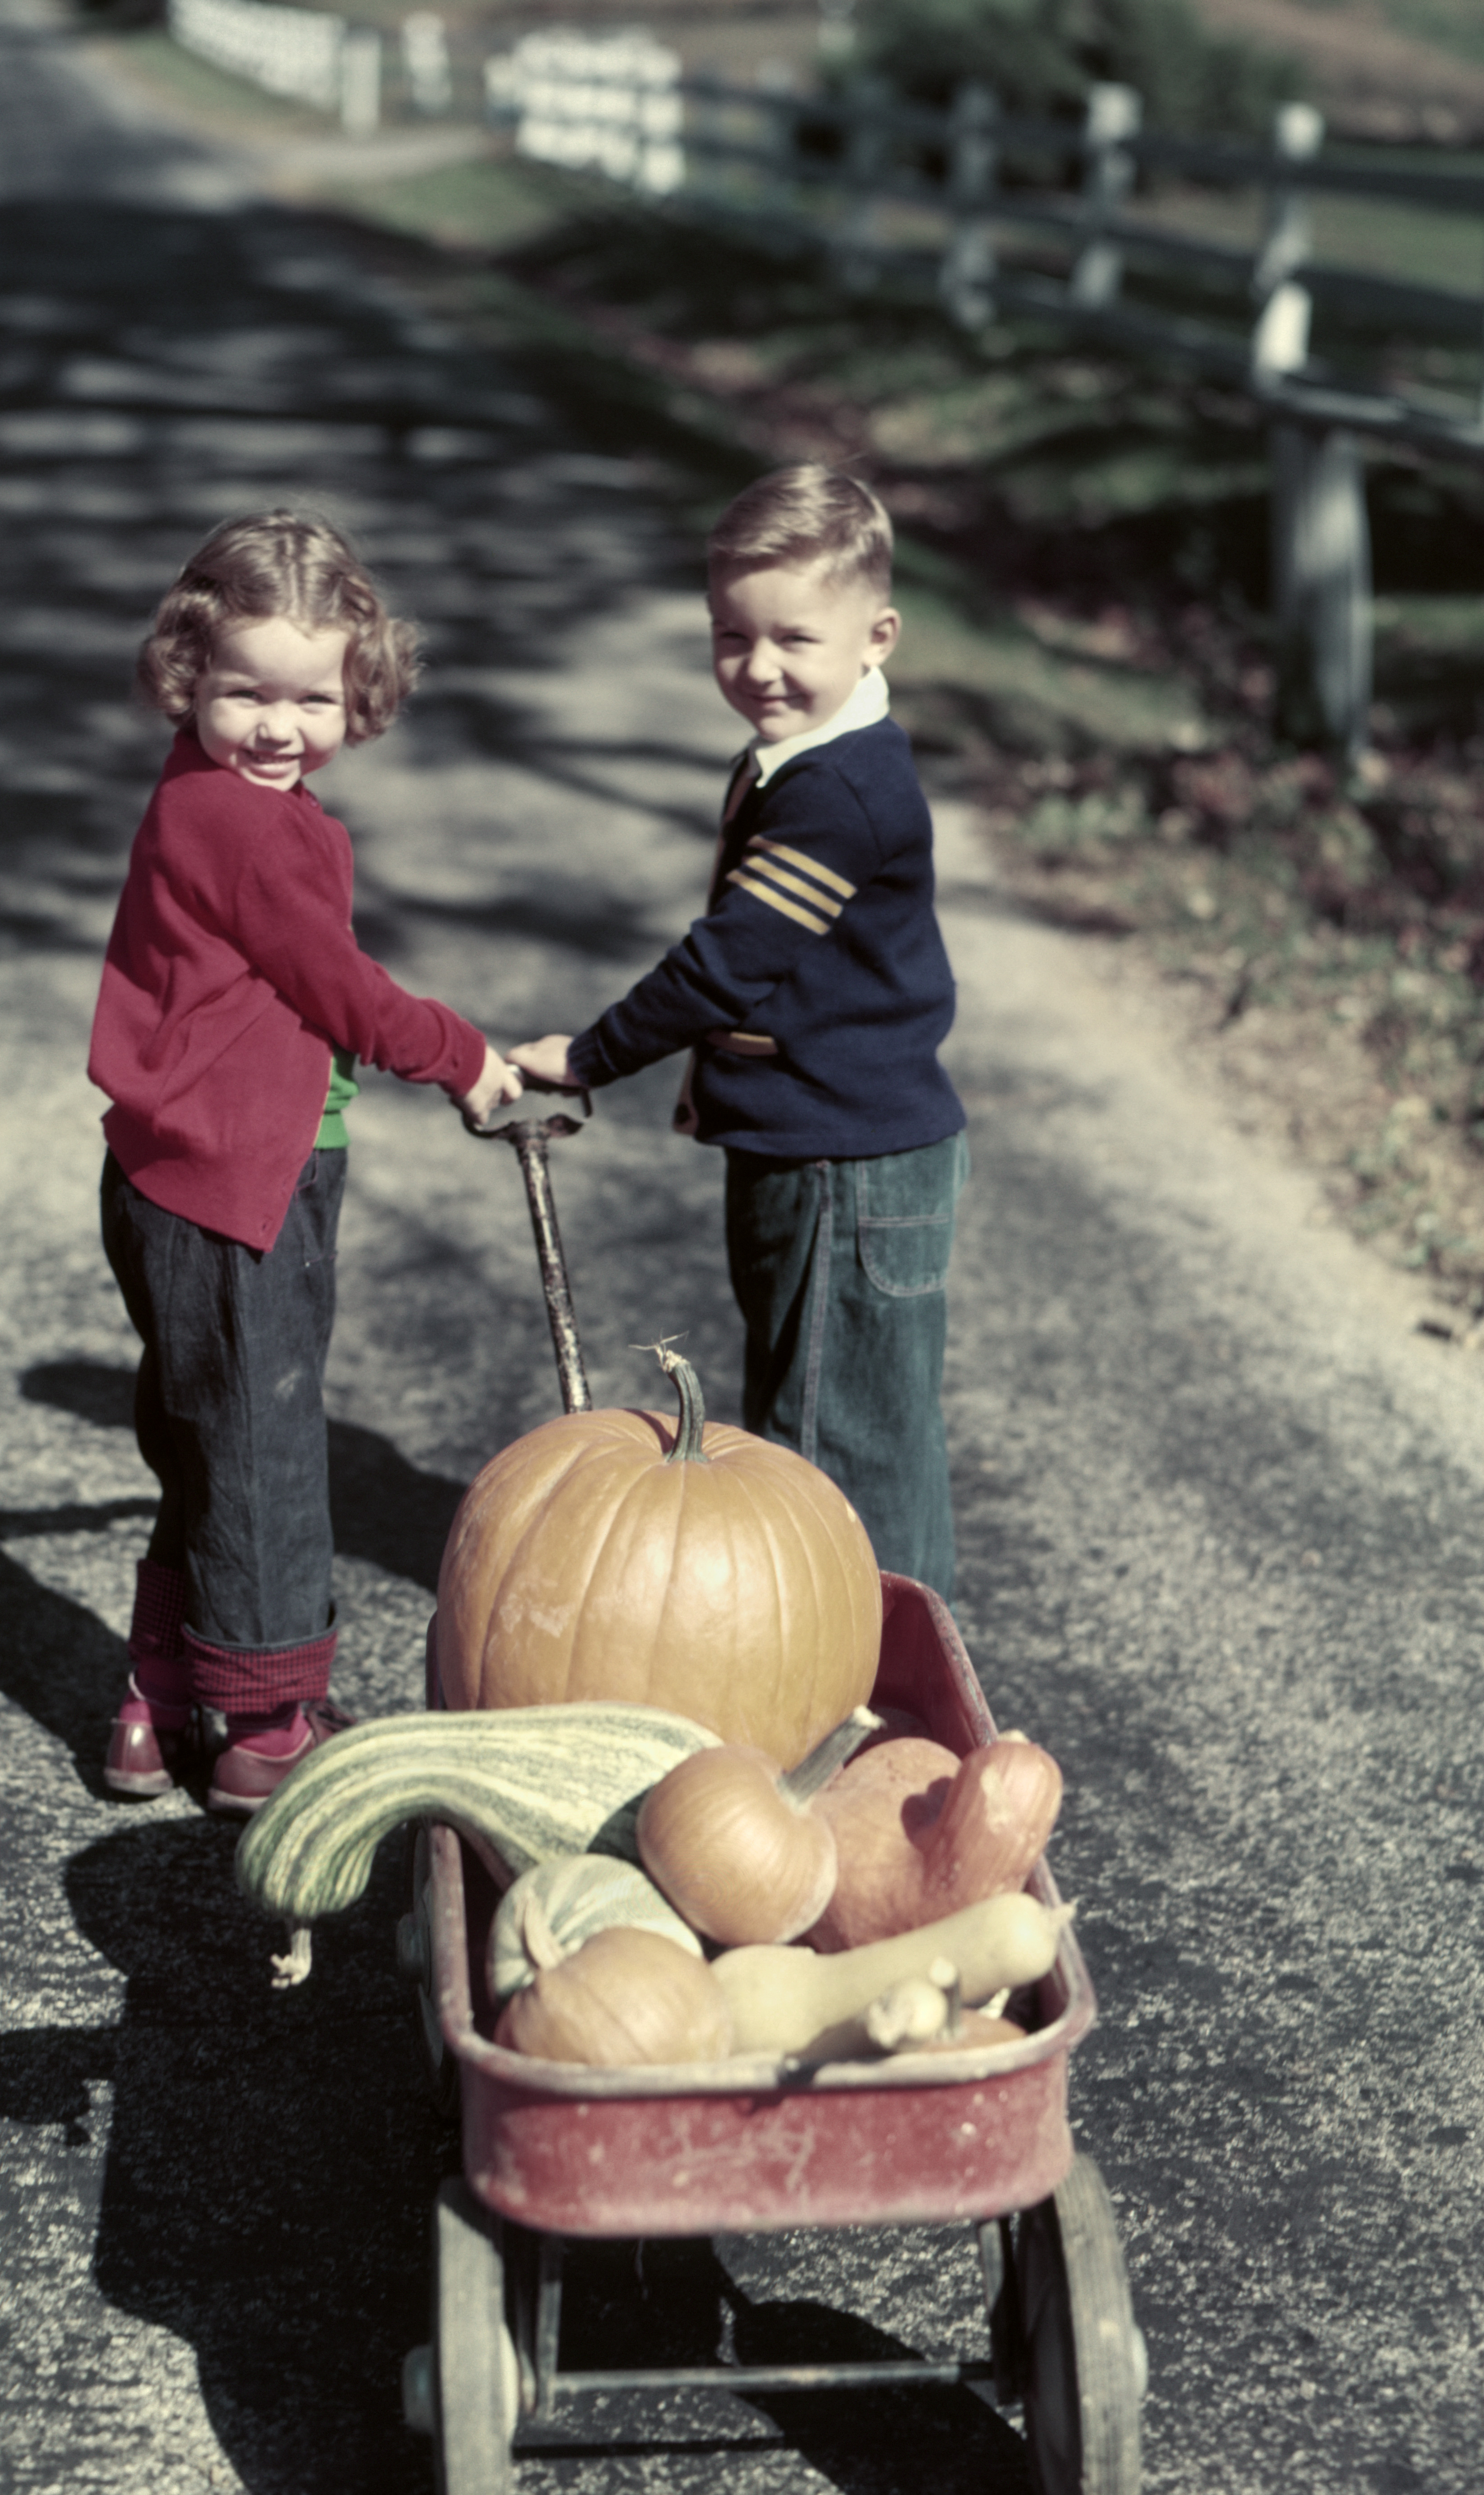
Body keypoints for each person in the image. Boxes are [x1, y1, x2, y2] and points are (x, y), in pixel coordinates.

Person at [90, 510, 522, 1810]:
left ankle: (153, 1701)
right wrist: (465, 1055)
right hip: (247, 1181)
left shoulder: (190, 790)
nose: (279, 726)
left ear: (359, 690)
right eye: (243, 694)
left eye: (311, 697)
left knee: (202, 1440)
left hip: (162, 1174)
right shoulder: (265, 831)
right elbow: (338, 988)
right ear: (188, 679)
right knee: (269, 1442)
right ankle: (271, 1718)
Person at [510, 465, 968, 1596]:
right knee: (819, 1422)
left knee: (834, 1452)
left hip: (842, 1165)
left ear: (878, 636)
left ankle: (867, 1697)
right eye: (730, 636)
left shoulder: (836, 794)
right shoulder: (803, 762)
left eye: (792, 640)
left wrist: (589, 1056)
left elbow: (729, 963)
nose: (756, 667)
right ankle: (872, 1660)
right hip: (808, 1150)